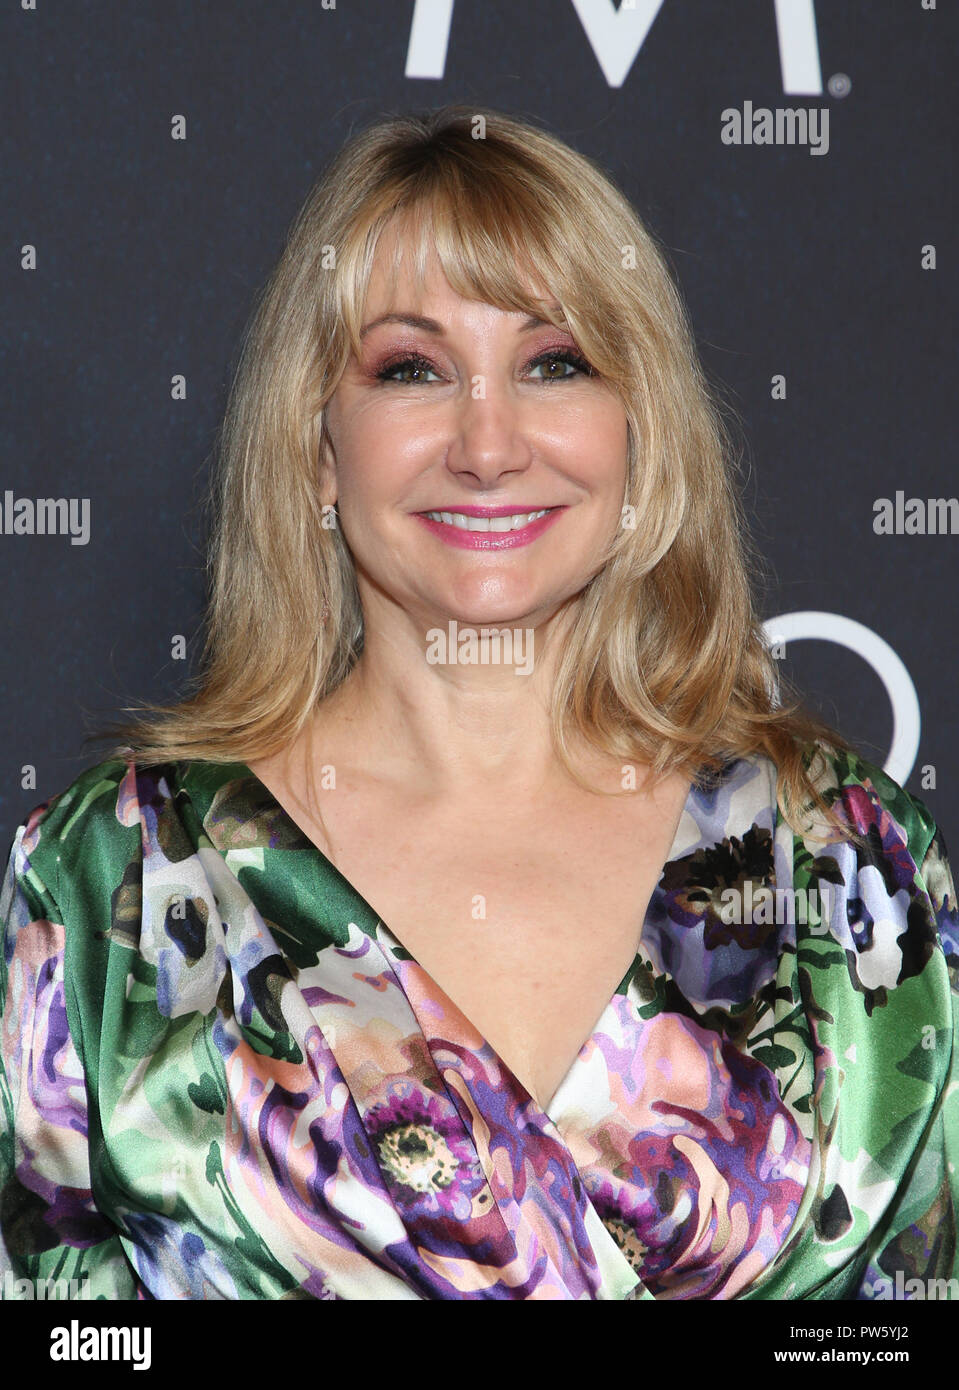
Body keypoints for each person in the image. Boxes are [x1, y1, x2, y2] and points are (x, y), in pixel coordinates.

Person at [1, 105, 956, 1302]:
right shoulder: (110, 885)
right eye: (411, 370)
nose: (487, 443)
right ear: (315, 451)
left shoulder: (844, 863)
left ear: (637, 436)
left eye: (552, 362)